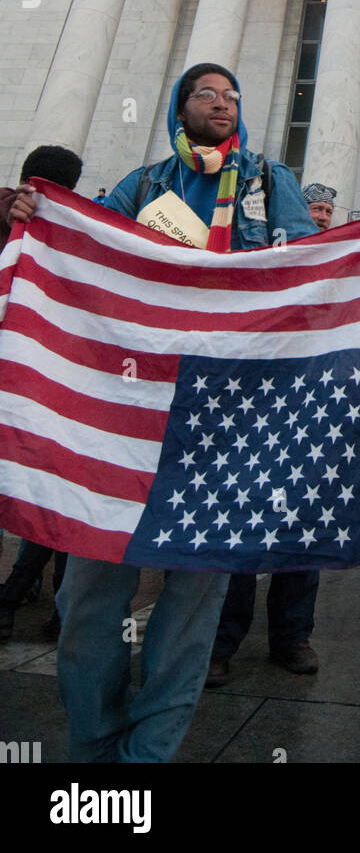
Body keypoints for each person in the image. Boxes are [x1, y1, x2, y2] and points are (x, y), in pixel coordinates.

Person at [9, 64, 317, 761]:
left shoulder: (272, 184)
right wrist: (36, 216)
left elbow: (303, 279)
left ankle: (147, 761)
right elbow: (81, 249)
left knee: (189, 615)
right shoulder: (142, 185)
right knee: (86, 606)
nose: (223, 102)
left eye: (233, 94)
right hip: (126, 422)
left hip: (222, 427)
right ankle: (93, 752)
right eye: (206, 93)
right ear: (180, 110)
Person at [205, 179, 339, 687]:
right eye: (314, 209)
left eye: (328, 209)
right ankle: (222, 642)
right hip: (253, 413)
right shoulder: (267, 258)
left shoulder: (338, 267)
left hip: (309, 414)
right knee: (241, 533)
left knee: (303, 533)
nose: (323, 216)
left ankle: (292, 637)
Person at [0, 145, 83, 643]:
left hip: (26, 377)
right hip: (49, 379)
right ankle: (50, 604)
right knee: (58, 493)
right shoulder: (50, 227)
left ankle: (16, 596)